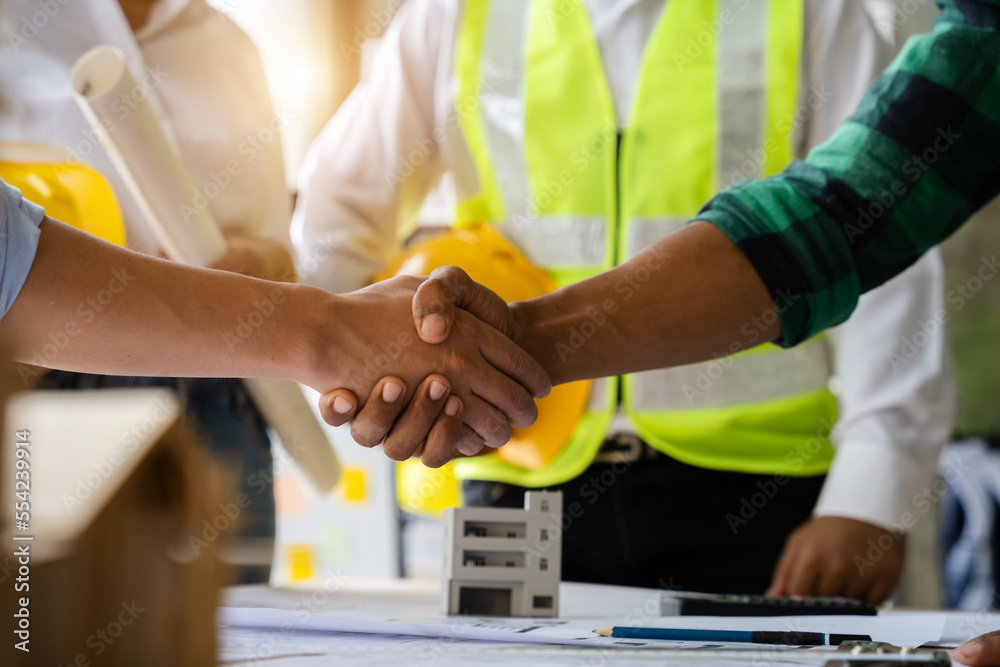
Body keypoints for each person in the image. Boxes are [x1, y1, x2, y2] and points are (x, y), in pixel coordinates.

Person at [293, 0, 951, 599]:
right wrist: (376, 370)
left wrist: (870, 493)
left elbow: (879, 239)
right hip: (514, 484)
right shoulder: (458, 15)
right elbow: (333, 222)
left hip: (757, 492)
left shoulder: (811, 11)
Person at [1, 0, 297, 582]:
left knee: (226, 624)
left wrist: (257, 261)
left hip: (215, 390)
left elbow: (280, 255)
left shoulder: (227, 46)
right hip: (50, 386)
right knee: (45, 621)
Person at [0, 178, 550, 462]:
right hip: (43, 400)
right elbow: (17, 263)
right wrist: (338, 335)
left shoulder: (228, 50)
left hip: (234, 397)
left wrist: (342, 328)